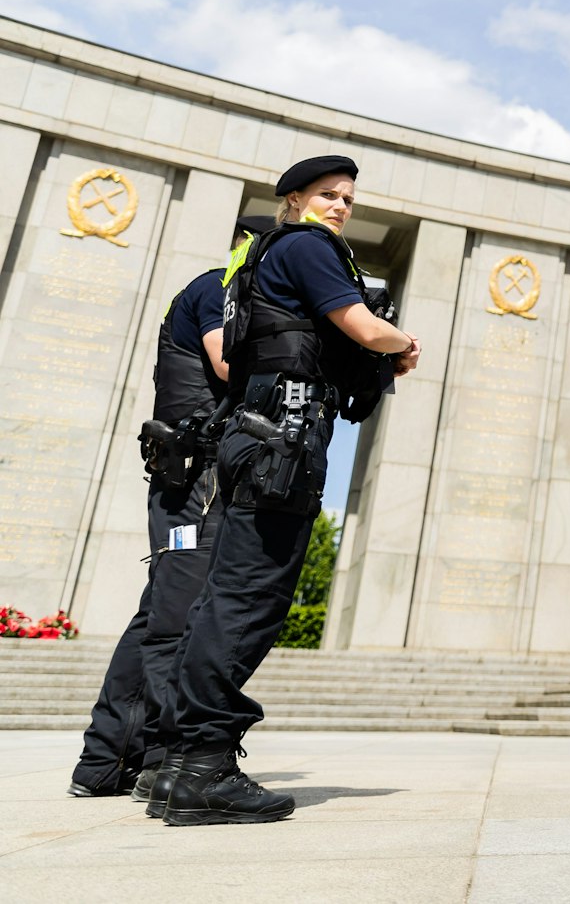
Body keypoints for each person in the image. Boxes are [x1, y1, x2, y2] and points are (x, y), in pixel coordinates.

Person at [150, 156, 417, 826]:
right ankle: (204, 766)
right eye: (328, 194)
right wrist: (402, 341)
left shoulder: (260, 260)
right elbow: (361, 325)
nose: (341, 206)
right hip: (284, 439)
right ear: (294, 199)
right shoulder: (307, 244)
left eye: (349, 198)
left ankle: (182, 768)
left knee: (230, 595)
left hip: (261, 431)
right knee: (251, 599)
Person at [69, 215, 273, 800]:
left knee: (159, 613)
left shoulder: (224, 291)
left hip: (191, 478)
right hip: (196, 477)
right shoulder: (218, 289)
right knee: (178, 618)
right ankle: (168, 759)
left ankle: (105, 763)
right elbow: (227, 365)